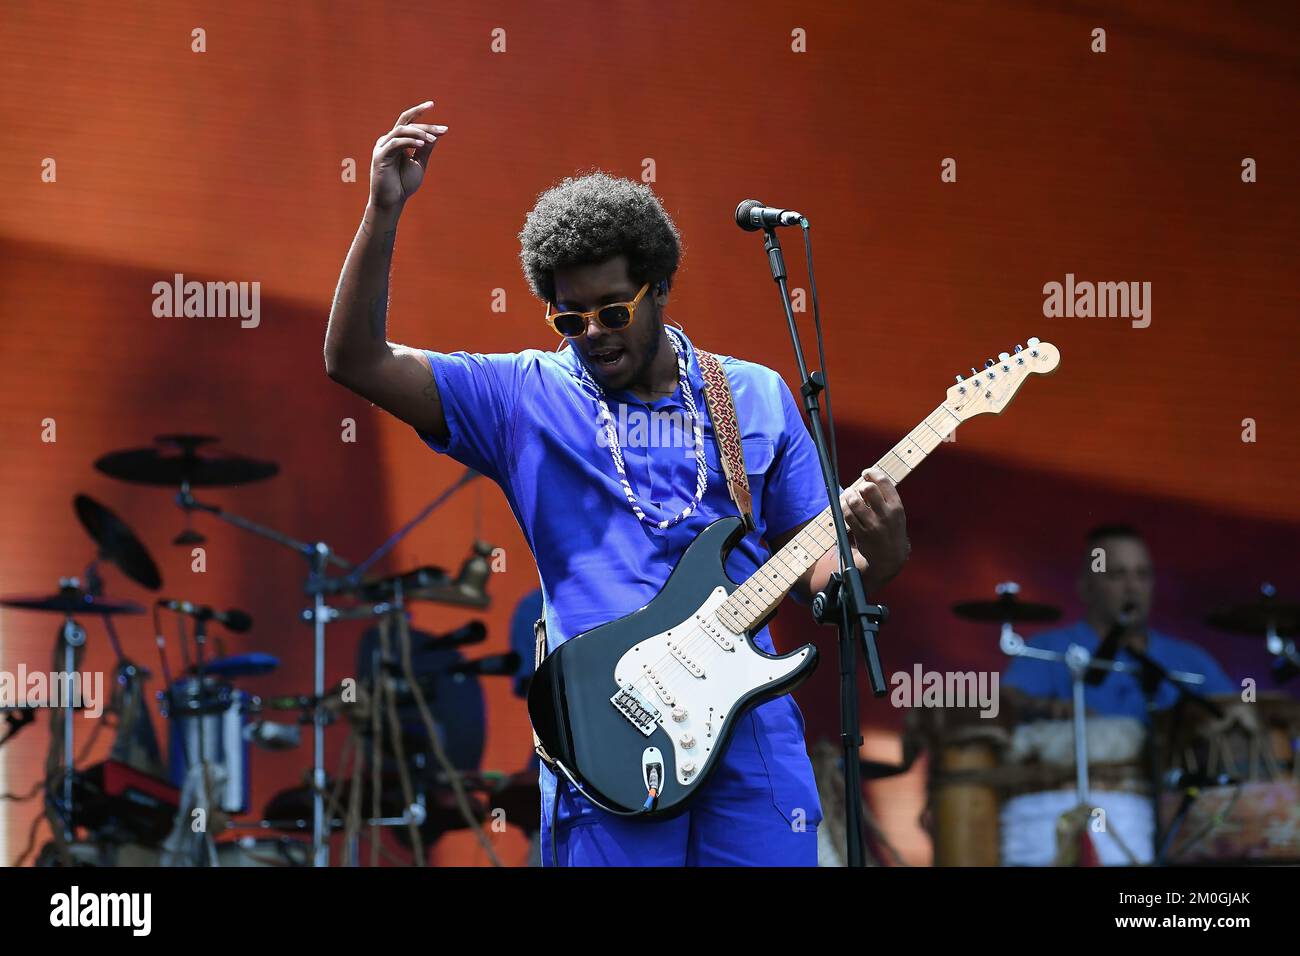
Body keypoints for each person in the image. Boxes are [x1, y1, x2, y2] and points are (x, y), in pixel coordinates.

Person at [323, 102, 910, 866]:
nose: (593, 335)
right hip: (610, 736)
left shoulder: (754, 396)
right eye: (570, 320)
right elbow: (355, 359)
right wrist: (383, 210)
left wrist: (883, 550)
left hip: (747, 728)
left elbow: (827, 582)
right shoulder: (521, 397)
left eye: (611, 311)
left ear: (660, 287)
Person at [1003, 524, 1235, 722]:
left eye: (1142, 575)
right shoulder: (1048, 648)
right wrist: (1048, 709)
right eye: (1116, 574)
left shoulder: (1190, 659)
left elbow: (1234, 711)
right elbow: (1006, 700)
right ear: (1086, 588)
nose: (1132, 587)